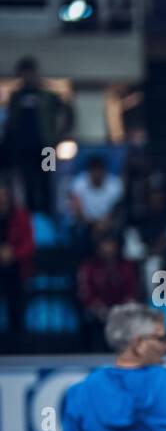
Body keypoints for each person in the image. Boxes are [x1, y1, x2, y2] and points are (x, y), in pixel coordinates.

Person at [2, 56, 73, 214]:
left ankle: (48, 217)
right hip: (23, 149)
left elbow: (67, 111)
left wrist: (61, 135)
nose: (27, 77)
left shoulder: (47, 95)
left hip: (46, 147)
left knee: (48, 182)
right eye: (23, 73)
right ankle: (31, 219)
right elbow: (10, 123)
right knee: (26, 184)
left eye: (29, 72)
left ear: (35, 72)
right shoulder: (16, 97)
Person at [0, 183, 35, 342]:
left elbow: (29, 245)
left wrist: (13, 253)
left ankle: (17, 344)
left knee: (16, 310)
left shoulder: (20, 216)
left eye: (3, 197)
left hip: (16, 271)